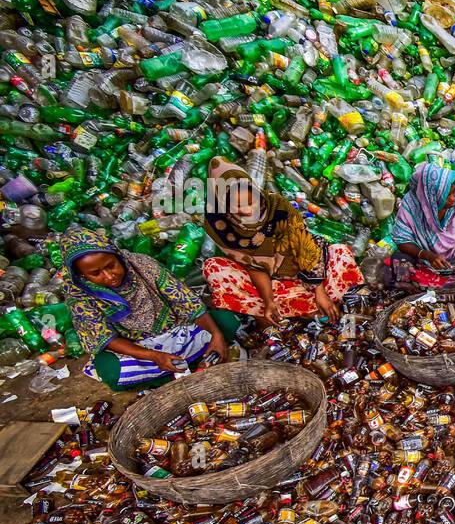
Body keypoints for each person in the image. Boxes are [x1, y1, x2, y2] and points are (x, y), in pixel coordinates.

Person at [58, 226, 240, 391]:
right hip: (137, 348)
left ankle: (174, 369)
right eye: (95, 273)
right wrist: (153, 356)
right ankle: (176, 367)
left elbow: (186, 302)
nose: (109, 276)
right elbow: (104, 338)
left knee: (225, 323)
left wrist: (216, 335)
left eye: (110, 266)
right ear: (81, 275)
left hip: (177, 330)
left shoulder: (142, 265)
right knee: (111, 372)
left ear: (117, 256)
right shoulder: (78, 294)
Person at [201, 158, 362, 326]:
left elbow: (305, 248)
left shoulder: (278, 206)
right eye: (237, 206)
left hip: (303, 273)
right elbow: (253, 266)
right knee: (213, 268)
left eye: (251, 202)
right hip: (268, 286)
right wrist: (269, 300)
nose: (248, 211)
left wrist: (319, 290)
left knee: (340, 253)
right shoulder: (220, 223)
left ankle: (304, 309)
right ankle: (287, 310)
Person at [389, 162, 455, 288]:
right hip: (425, 264)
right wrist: (428, 256)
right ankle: (414, 294)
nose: (453, 198)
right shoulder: (412, 203)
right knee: (399, 259)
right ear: (431, 196)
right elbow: (401, 239)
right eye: (448, 195)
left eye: (454, 192)